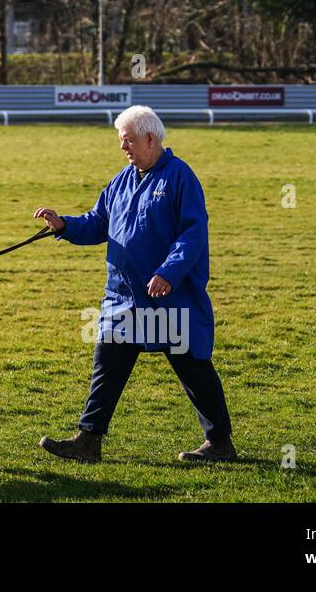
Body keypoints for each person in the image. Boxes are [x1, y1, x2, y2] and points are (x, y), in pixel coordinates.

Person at [32, 105, 237, 464]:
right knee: (108, 363)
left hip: (169, 299)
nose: (122, 148)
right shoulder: (120, 181)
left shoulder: (180, 177)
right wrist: (63, 225)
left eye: (127, 141)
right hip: (124, 299)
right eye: (120, 141)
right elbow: (98, 224)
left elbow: (192, 235)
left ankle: (220, 443)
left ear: (150, 138)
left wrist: (168, 274)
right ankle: (88, 439)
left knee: (192, 368)